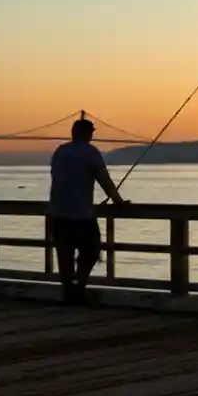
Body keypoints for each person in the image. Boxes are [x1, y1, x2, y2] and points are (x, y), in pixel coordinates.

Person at [48, 119, 126, 304]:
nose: (93, 135)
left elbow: (57, 179)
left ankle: (68, 290)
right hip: (82, 213)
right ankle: (80, 287)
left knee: (64, 253)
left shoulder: (60, 152)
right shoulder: (90, 153)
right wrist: (118, 202)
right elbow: (104, 180)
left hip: (58, 212)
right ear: (86, 133)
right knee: (91, 251)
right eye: (91, 132)